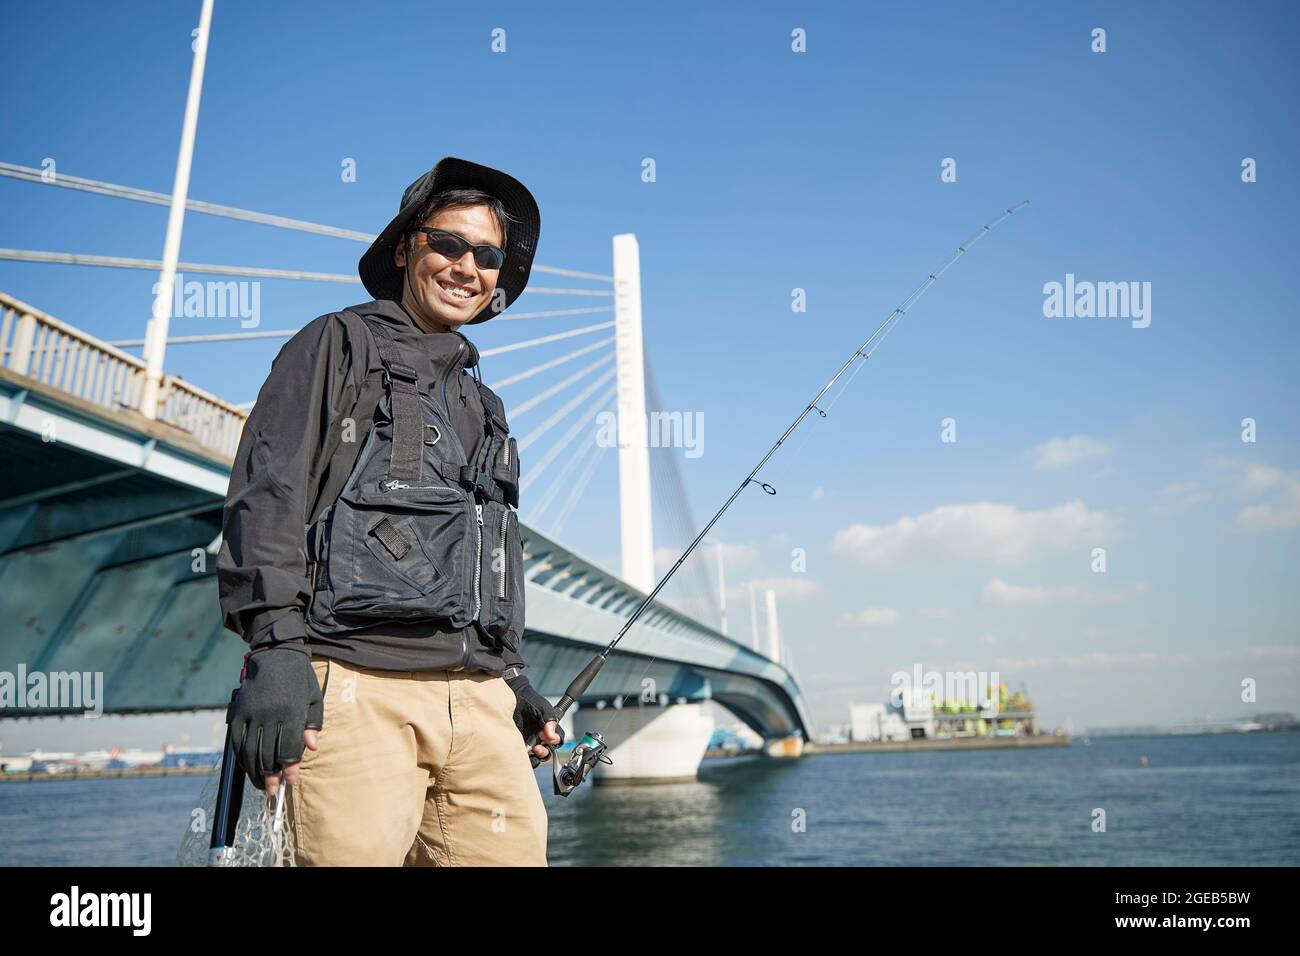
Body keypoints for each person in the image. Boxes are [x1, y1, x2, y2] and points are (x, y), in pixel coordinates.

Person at [217, 157, 562, 866]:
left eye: (488, 255)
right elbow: (267, 493)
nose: (468, 266)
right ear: (406, 248)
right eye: (449, 244)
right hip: (356, 691)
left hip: (480, 706)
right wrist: (276, 651)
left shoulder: (483, 404)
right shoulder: (336, 344)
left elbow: (484, 551)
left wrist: (510, 675)